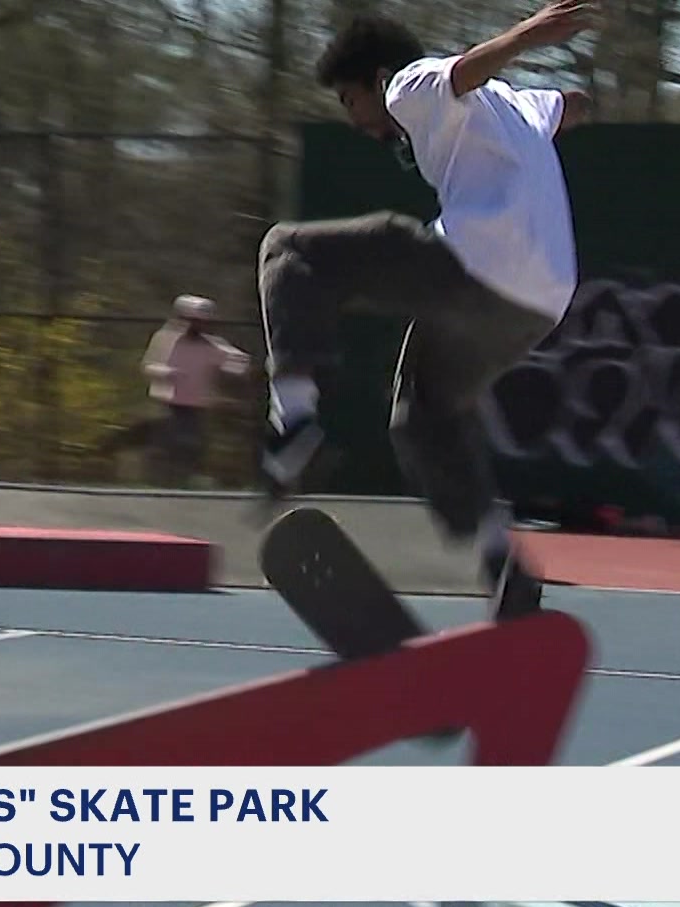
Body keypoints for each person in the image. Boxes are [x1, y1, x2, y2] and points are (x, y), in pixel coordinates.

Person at [256, 5, 596, 619]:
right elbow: (570, 103)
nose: (357, 121)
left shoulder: (408, 83)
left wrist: (524, 35)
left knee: (287, 249)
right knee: (424, 415)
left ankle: (295, 417)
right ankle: (502, 565)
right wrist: (563, 108)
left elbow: (460, 73)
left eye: (349, 101)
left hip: (467, 267)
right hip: (540, 302)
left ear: (376, 80)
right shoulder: (518, 105)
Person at [138, 295, 251, 485]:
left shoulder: (211, 345)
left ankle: (186, 478)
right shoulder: (166, 339)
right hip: (167, 401)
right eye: (193, 321)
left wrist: (236, 369)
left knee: (192, 442)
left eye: (201, 322)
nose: (197, 326)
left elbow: (236, 361)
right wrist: (167, 373)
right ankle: (161, 478)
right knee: (167, 441)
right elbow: (148, 365)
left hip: (195, 404)